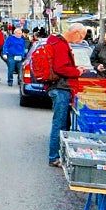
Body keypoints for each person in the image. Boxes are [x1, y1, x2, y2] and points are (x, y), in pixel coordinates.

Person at [37, 30, 83, 166]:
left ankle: (59, 155)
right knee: (59, 123)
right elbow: (60, 68)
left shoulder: (55, 42)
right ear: (75, 32)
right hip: (60, 88)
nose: (81, 39)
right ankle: (54, 157)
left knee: (62, 123)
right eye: (81, 36)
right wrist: (77, 71)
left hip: (57, 87)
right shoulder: (61, 45)